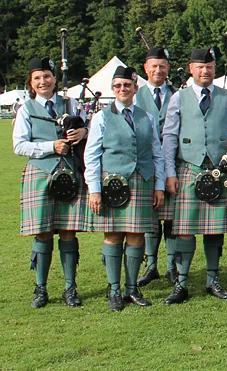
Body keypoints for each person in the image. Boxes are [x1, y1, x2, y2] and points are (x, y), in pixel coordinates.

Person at [161, 48, 227, 304]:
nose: (205, 71)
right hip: (188, 168)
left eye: (210, 67)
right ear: (191, 69)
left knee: (214, 230)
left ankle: (212, 279)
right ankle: (181, 283)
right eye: (200, 67)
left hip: (217, 169)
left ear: (215, 69)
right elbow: (169, 137)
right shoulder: (178, 98)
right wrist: (169, 173)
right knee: (183, 230)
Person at [84, 66, 165, 311]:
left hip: (142, 181)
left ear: (135, 88)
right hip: (113, 183)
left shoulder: (146, 117)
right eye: (118, 86)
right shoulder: (100, 117)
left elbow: (157, 155)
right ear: (113, 89)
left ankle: (132, 289)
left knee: (137, 235)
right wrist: (94, 189)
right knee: (113, 235)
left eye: (127, 85)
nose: (122, 89)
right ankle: (114, 290)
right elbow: (92, 155)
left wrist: (159, 187)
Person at [14, 57, 88, 308]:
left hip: (70, 172)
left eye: (47, 76)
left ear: (55, 79)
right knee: (43, 232)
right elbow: (19, 145)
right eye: (37, 78)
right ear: (31, 83)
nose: (43, 81)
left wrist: (83, 132)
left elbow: (88, 126)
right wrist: (50, 146)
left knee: (68, 231)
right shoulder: (26, 109)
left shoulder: (71, 103)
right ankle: (41, 289)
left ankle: (70, 288)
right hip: (40, 174)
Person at [135, 47, 178, 287]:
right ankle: (151, 266)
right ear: (146, 68)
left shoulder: (178, 94)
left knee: (171, 217)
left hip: (172, 162)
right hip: (145, 164)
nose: (158, 70)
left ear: (167, 68)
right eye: (154, 66)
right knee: (151, 216)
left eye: (162, 66)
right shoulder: (135, 94)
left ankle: (171, 265)